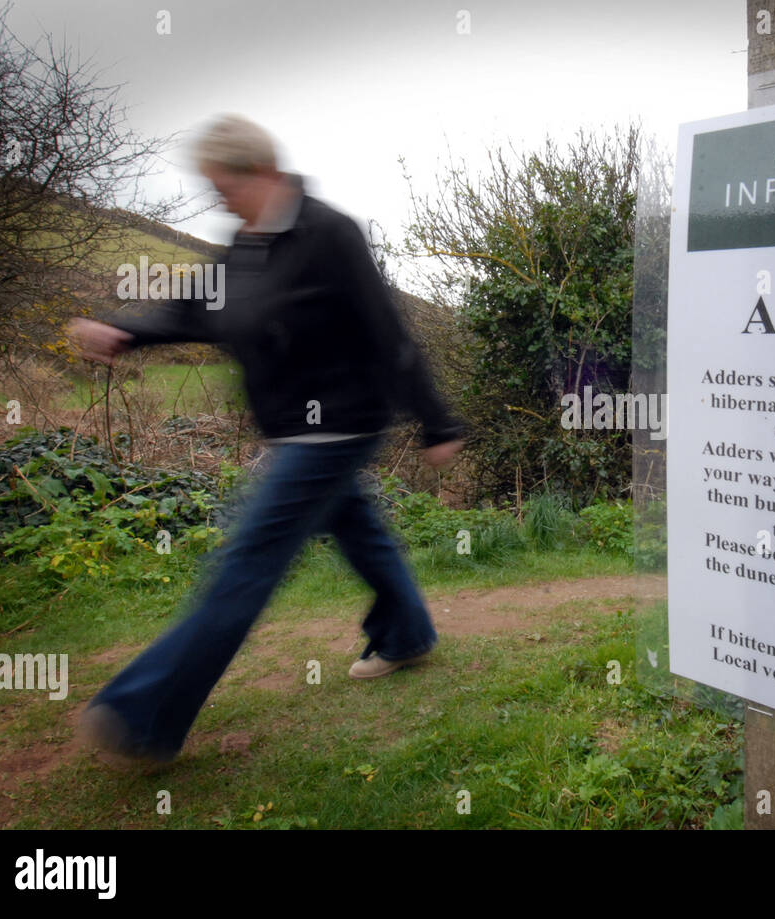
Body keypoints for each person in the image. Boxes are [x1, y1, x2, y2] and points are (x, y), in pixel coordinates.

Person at [67, 114, 463, 763]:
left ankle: (144, 714)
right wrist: (126, 329)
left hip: (338, 426)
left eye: (225, 187)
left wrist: (437, 419)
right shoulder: (245, 248)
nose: (219, 202)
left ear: (266, 172)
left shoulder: (329, 234)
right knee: (358, 527)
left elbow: (389, 332)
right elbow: (195, 310)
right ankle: (408, 632)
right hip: (290, 430)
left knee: (246, 559)